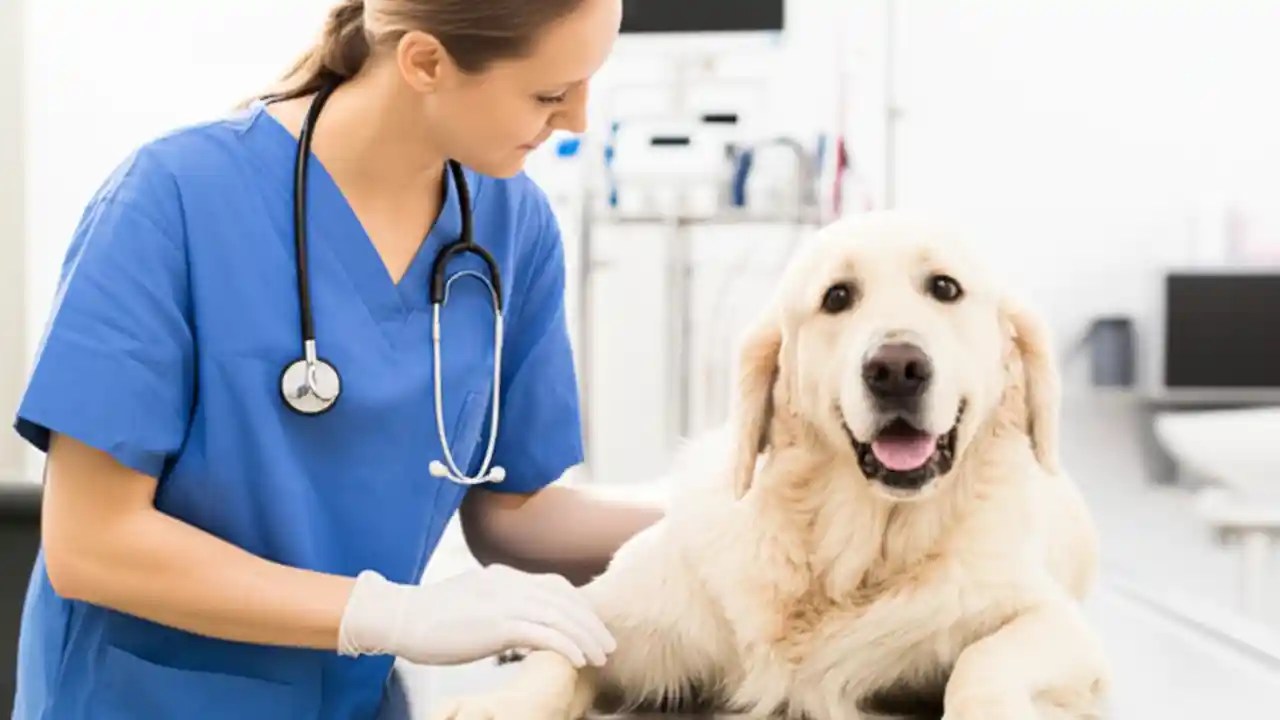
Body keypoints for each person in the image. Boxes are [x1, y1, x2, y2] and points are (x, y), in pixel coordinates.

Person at [10, 0, 662, 717]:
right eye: (549, 94)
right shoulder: (173, 198)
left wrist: (721, 518)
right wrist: (390, 615)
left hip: (350, 701)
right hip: (145, 698)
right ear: (424, 62)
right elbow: (93, 544)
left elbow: (512, 515)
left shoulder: (513, 224)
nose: (577, 121)